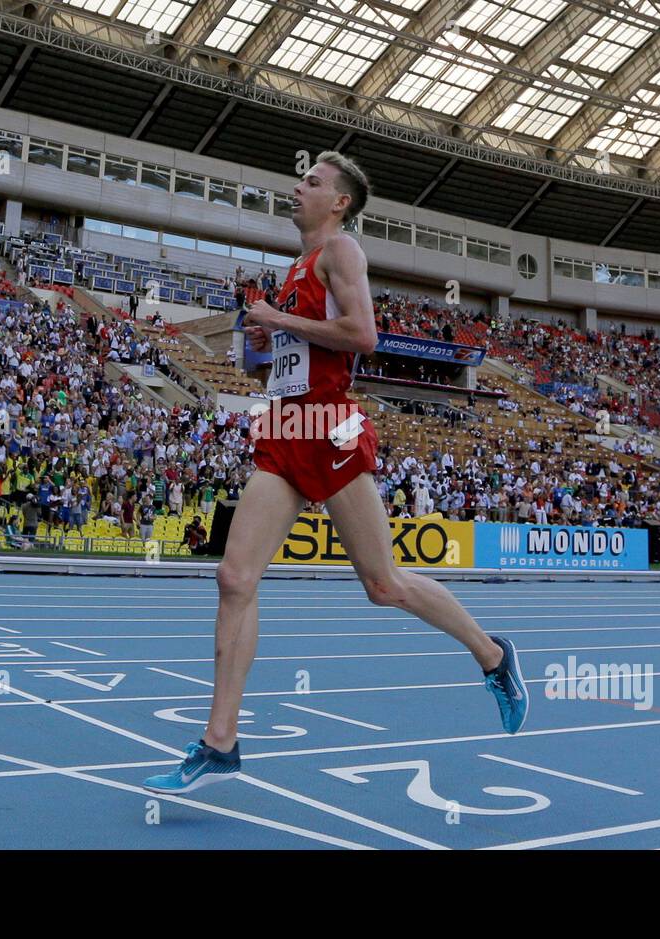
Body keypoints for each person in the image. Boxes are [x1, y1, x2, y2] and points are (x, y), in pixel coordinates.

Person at [143, 153, 528, 794]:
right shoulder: (292, 271)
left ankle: (492, 654)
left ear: (340, 202)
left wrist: (278, 320)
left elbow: (364, 334)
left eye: (313, 184)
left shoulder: (341, 251)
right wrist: (258, 346)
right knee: (234, 576)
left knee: (383, 585)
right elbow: (264, 372)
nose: (298, 188)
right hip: (286, 430)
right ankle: (220, 742)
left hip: (333, 428)